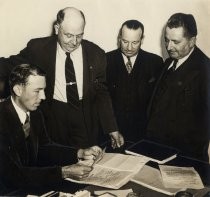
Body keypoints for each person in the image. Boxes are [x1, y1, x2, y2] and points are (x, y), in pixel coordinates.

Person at [0, 7, 124, 149]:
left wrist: (111, 127)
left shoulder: (96, 54)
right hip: (52, 116)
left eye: (79, 35)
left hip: (83, 116)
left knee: (85, 161)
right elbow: (10, 64)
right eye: (69, 35)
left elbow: (101, 93)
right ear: (57, 28)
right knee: (54, 159)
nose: (74, 42)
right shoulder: (39, 49)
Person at [0, 64, 103, 194]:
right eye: (37, 91)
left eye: (43, 90)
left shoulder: (35, 113)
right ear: (18, 90)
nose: (43, 97)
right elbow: (11, 175)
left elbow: (44, 148)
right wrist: (64, 172)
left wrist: (79, 153)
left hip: (30, 183)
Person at [146, 13, 210, 162]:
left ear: (192, 41)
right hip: (158, 153)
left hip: (185, 160)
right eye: (166, 40)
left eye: (176, 41)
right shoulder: (169, 63)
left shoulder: (205, 70)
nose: (169, 47)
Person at [106, 20, 163, 143]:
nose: (129, 48)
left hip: (144, 138)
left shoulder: (155, 62)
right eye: (125, 41)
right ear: (119, 38)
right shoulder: (105, 60)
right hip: (111, 136)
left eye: (135, 42)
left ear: (142, 40)